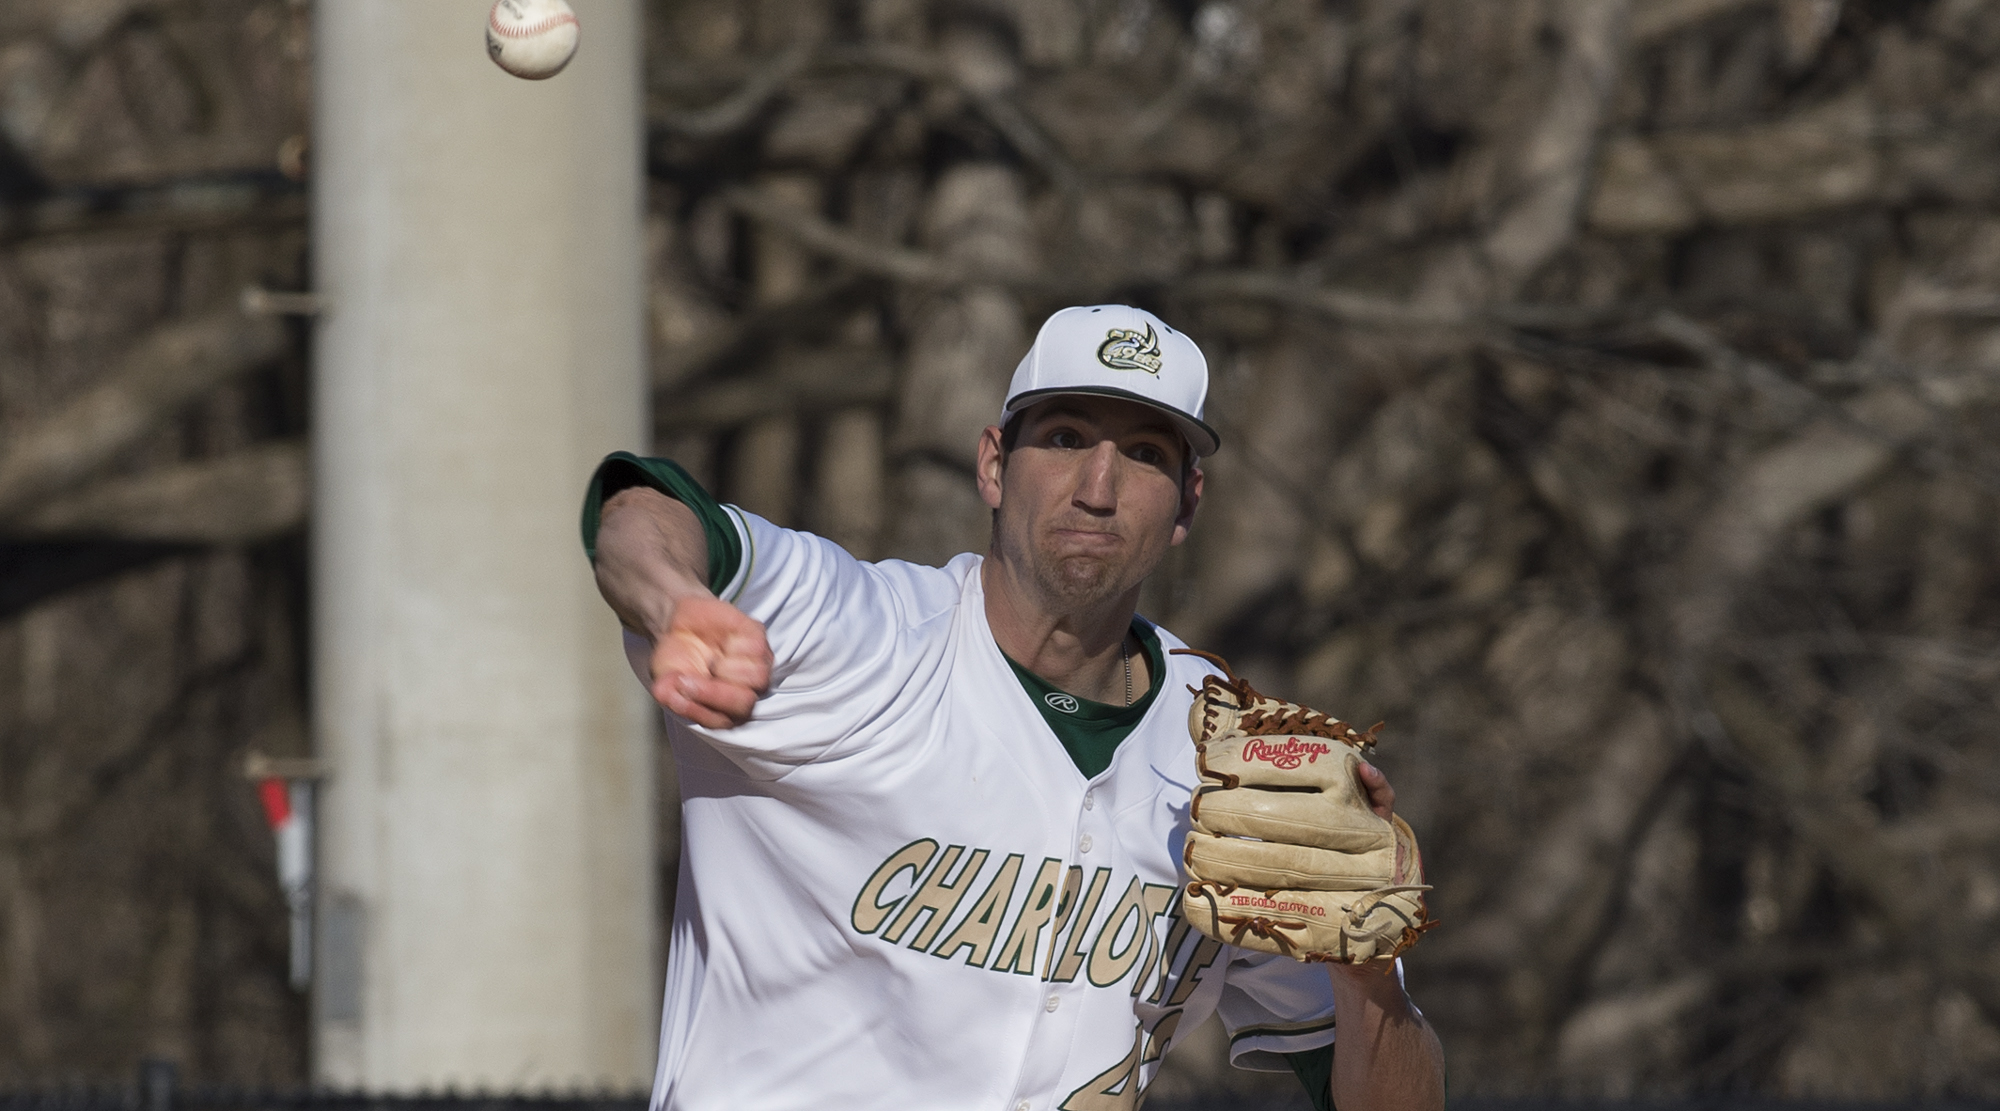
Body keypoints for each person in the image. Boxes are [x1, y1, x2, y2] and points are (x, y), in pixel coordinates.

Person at [583, 305, 1445, 1111]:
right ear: (993, 464)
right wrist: (673, 600)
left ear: (1187, 502)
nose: (1098, 486)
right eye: (1065, 438)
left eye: (1145, 453)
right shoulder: (863, 640)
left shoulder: (1231, 764)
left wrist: (1367, 975)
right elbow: (643, 511)